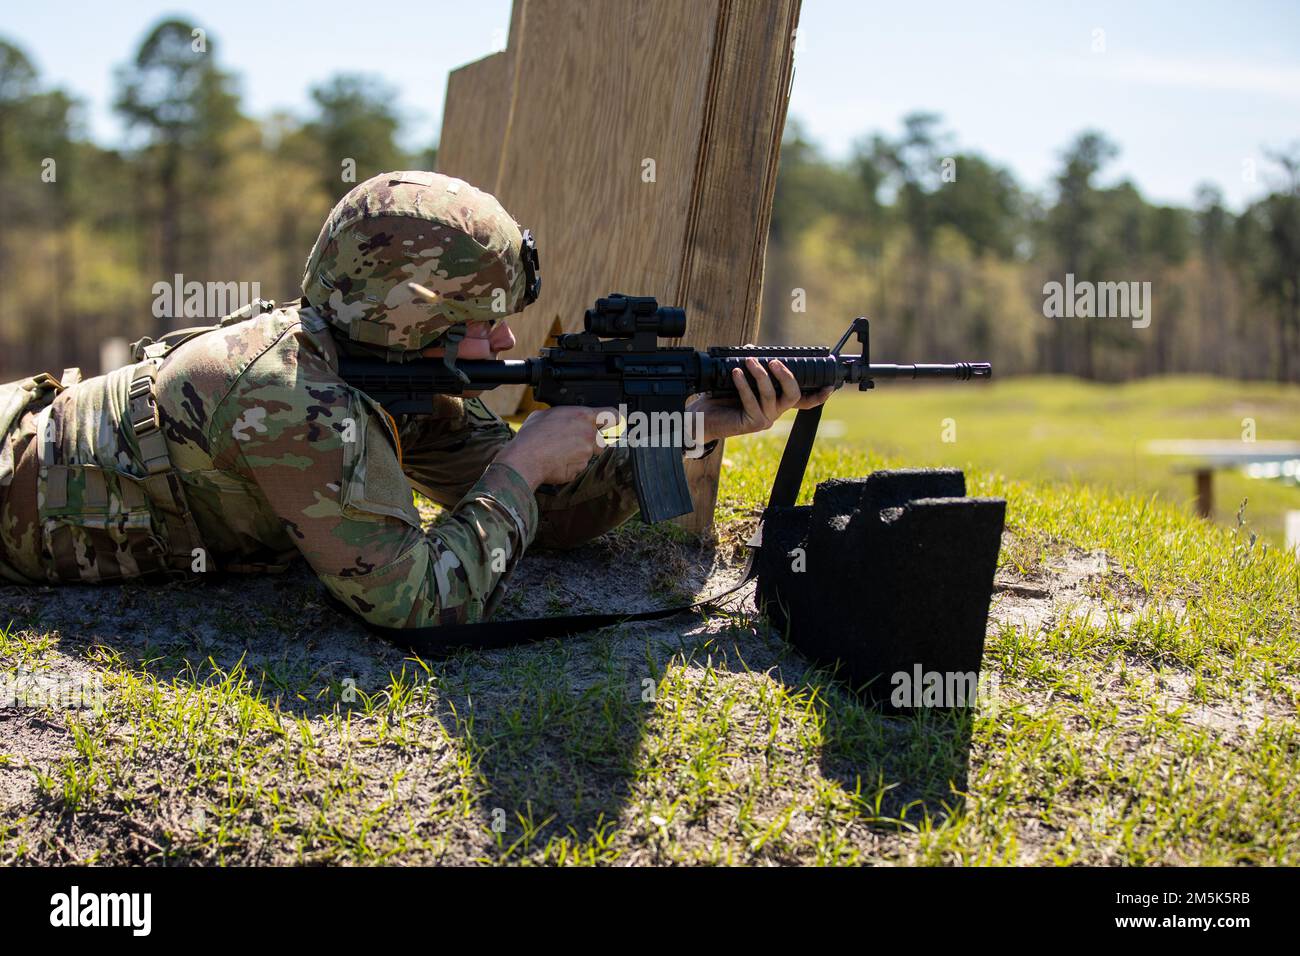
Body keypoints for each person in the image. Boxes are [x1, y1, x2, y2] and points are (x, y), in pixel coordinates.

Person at [0, 171, 830, 628]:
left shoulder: (394, 373)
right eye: (481, 325)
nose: (506, 345)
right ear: (410, 323)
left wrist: (694, 426)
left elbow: (561, 518)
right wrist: (518, 465)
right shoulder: (292, 399)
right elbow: (414, 601)